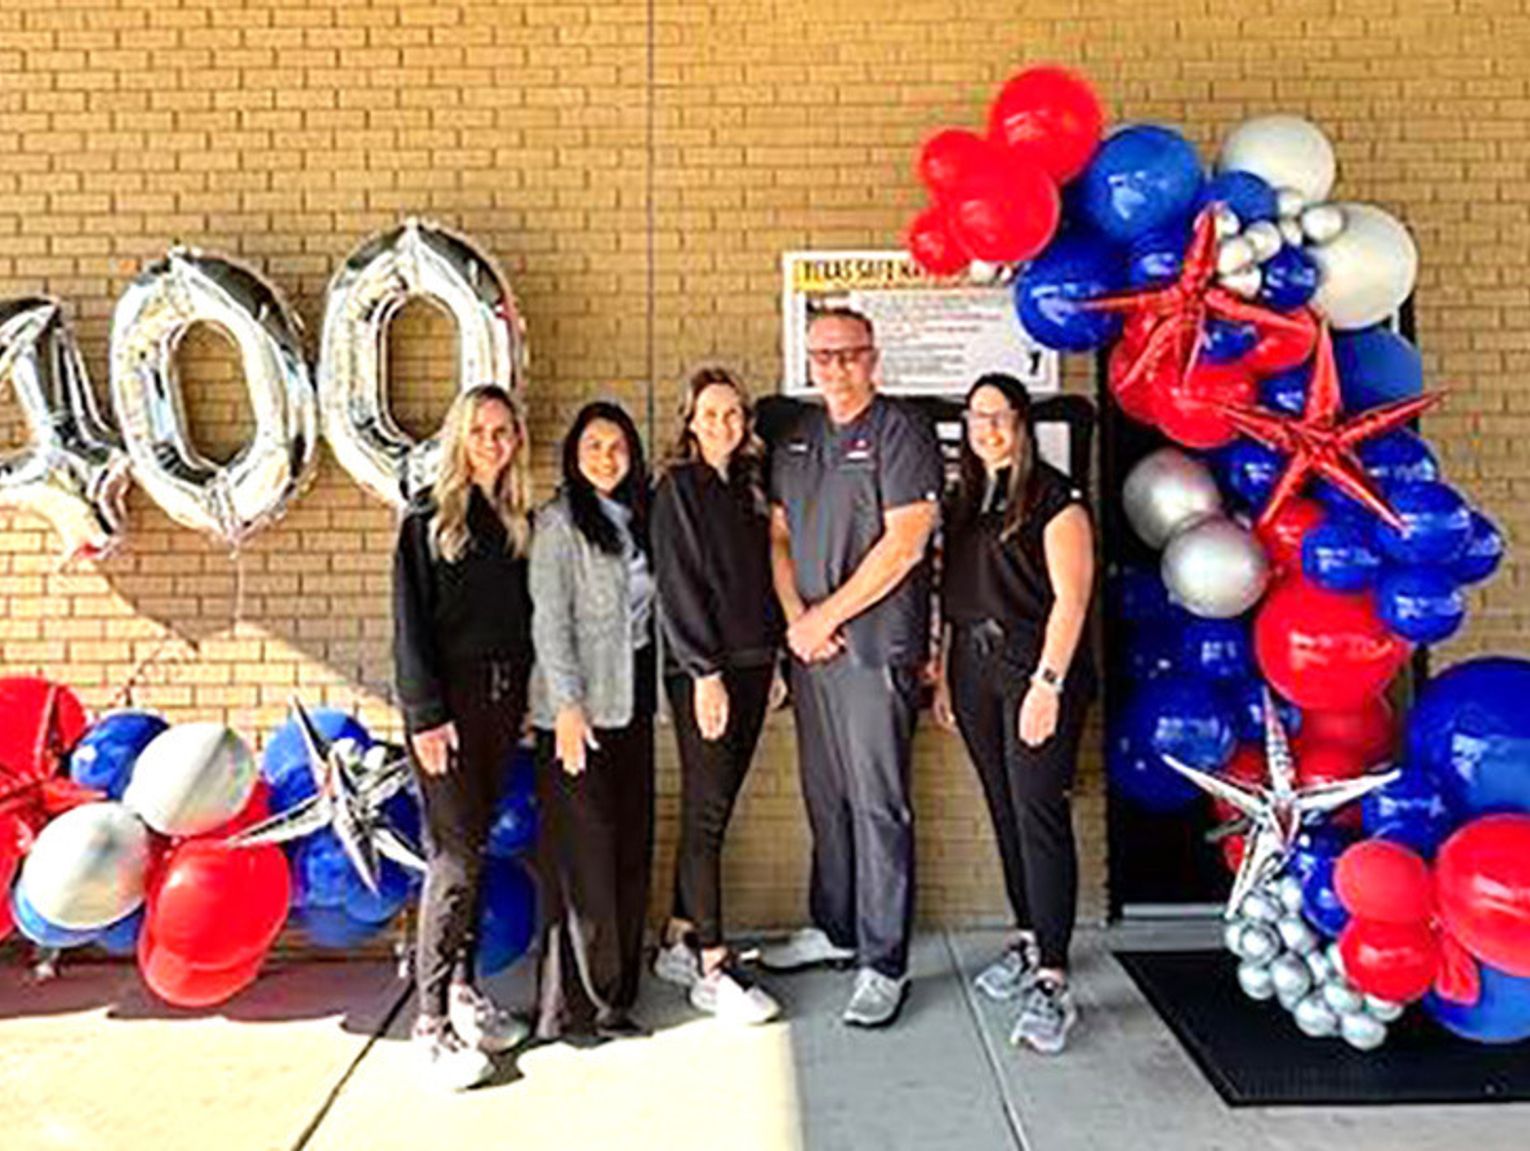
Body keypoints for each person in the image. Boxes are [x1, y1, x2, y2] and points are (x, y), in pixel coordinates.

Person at [759, 307, 943, 1028]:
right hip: (813, 651)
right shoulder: (797, 438)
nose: (833, 366)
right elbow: (777, 537)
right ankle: (834, 928)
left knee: (878, 805)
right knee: (826, 798)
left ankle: (882, 960)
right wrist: (796, 623)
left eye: (848, 353)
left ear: (873, 358)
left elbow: (903, 545)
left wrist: (824, 618)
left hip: (870, 651)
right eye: (822, 354)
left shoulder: (901, 431)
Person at [933, 373, 1096, 1055]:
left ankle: (1054, 976)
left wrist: (1048, 682)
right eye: (976, 419)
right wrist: (943, 673)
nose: (987, 429)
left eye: (999, 417)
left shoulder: (1056, 499)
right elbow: (953, 595)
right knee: (1003, 808)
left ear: (1023, 422)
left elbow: (1071, 600)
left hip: (1035, 670)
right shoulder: (966, 498)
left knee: (1038, 812)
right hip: (971, 668)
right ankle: (1028, 937)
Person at [393, 383, 535, 1090]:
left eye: (504, 430)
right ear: (460, 437)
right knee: (452, 858)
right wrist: (424, 714)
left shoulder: (514, 522)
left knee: (475, 852)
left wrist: (529, 703)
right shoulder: (426, 519)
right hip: (445, 712)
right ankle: (427, 1022)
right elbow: (409, 628)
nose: (493, 441)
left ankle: (465, 992)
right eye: (480, 429)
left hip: (501, 708)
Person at [650, 367, 784, 1025]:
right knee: (705, 813)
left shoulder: (751, 489)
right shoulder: (677, 487)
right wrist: (704, 671)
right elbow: (677, 585)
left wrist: (778, 658)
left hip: (758, 664)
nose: (723, 424)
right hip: (706, 671)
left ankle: (678, 936)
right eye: (710, 413)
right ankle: (712, 966)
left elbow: (766, 578)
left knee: (718, 805)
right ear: (690, 421)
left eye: (733, 413)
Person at [529, 400, 656, 1044]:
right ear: (575, 456)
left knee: (631, 849)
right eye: (593, 447)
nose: (606, 457)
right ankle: (575, 1009)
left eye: (617, 447)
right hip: (575, 716)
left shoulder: (638, 518)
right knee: (586, 862)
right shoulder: (557, 523)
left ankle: (618, 997)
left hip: (631, 708)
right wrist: (568, 707)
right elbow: (548, 622)